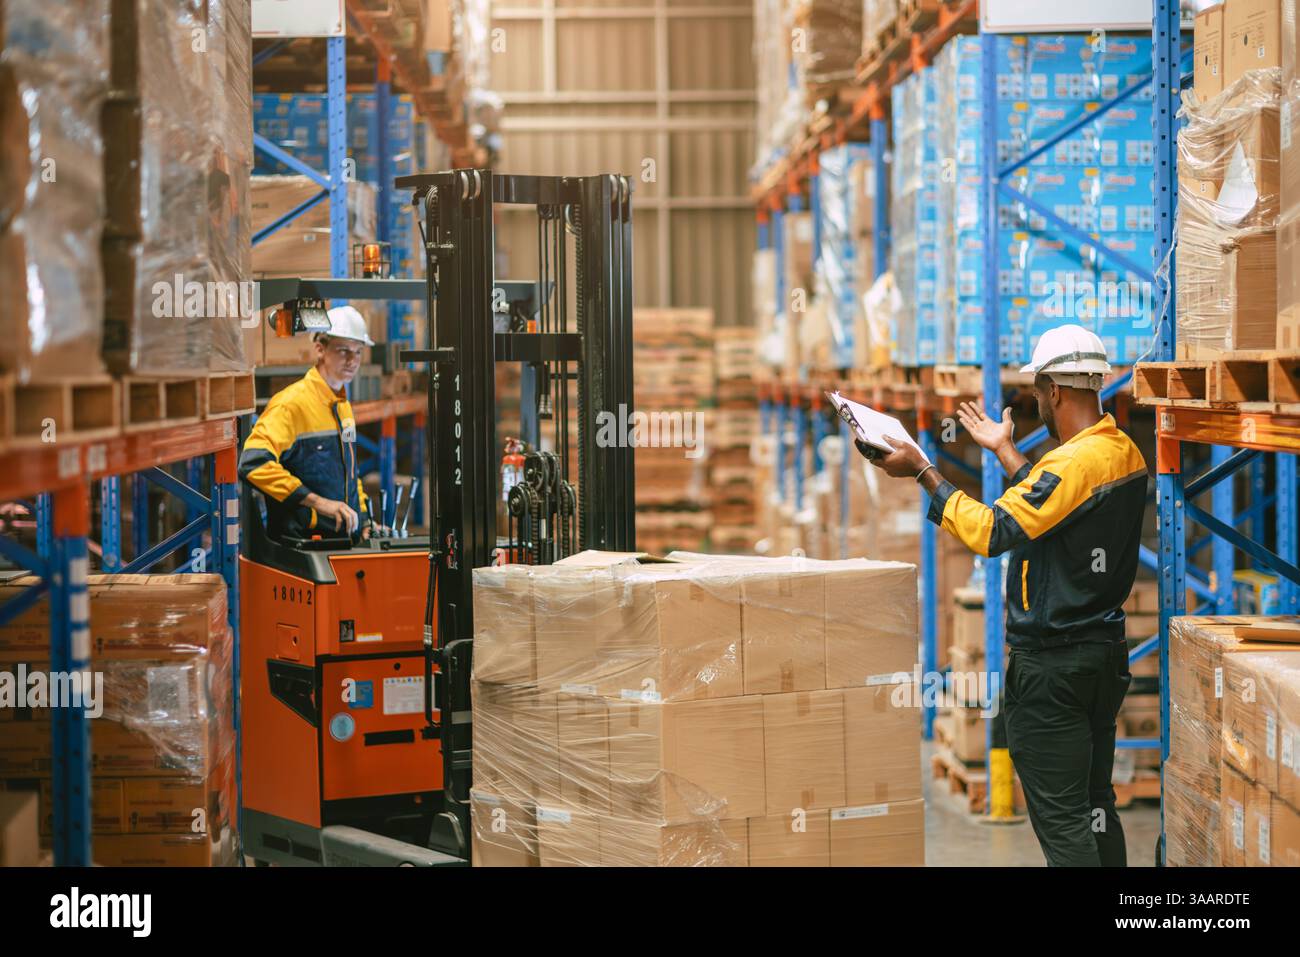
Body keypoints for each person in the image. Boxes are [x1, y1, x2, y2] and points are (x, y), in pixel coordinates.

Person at [857, 324, 1148, 866]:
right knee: (1093, 804)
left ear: (1054, 390)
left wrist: (924, 472)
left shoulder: (1071, 464)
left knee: (1063, 821)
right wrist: (1006, 451)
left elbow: (992, 532)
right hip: (1101, 658)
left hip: (1053, 671)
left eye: (1035, 392)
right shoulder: (1120, 451)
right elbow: (1058, 510)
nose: (1035, 401)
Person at [239, 305, 376, 542]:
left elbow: (351, 473)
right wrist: (318, 503)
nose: (352, 360)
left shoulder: (342, 406)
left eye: (358, 351)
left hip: (340, 538)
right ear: (320, 349)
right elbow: (253, 464)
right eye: (343, 350)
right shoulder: (291, 404)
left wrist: (363, 521)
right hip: (300, 543)